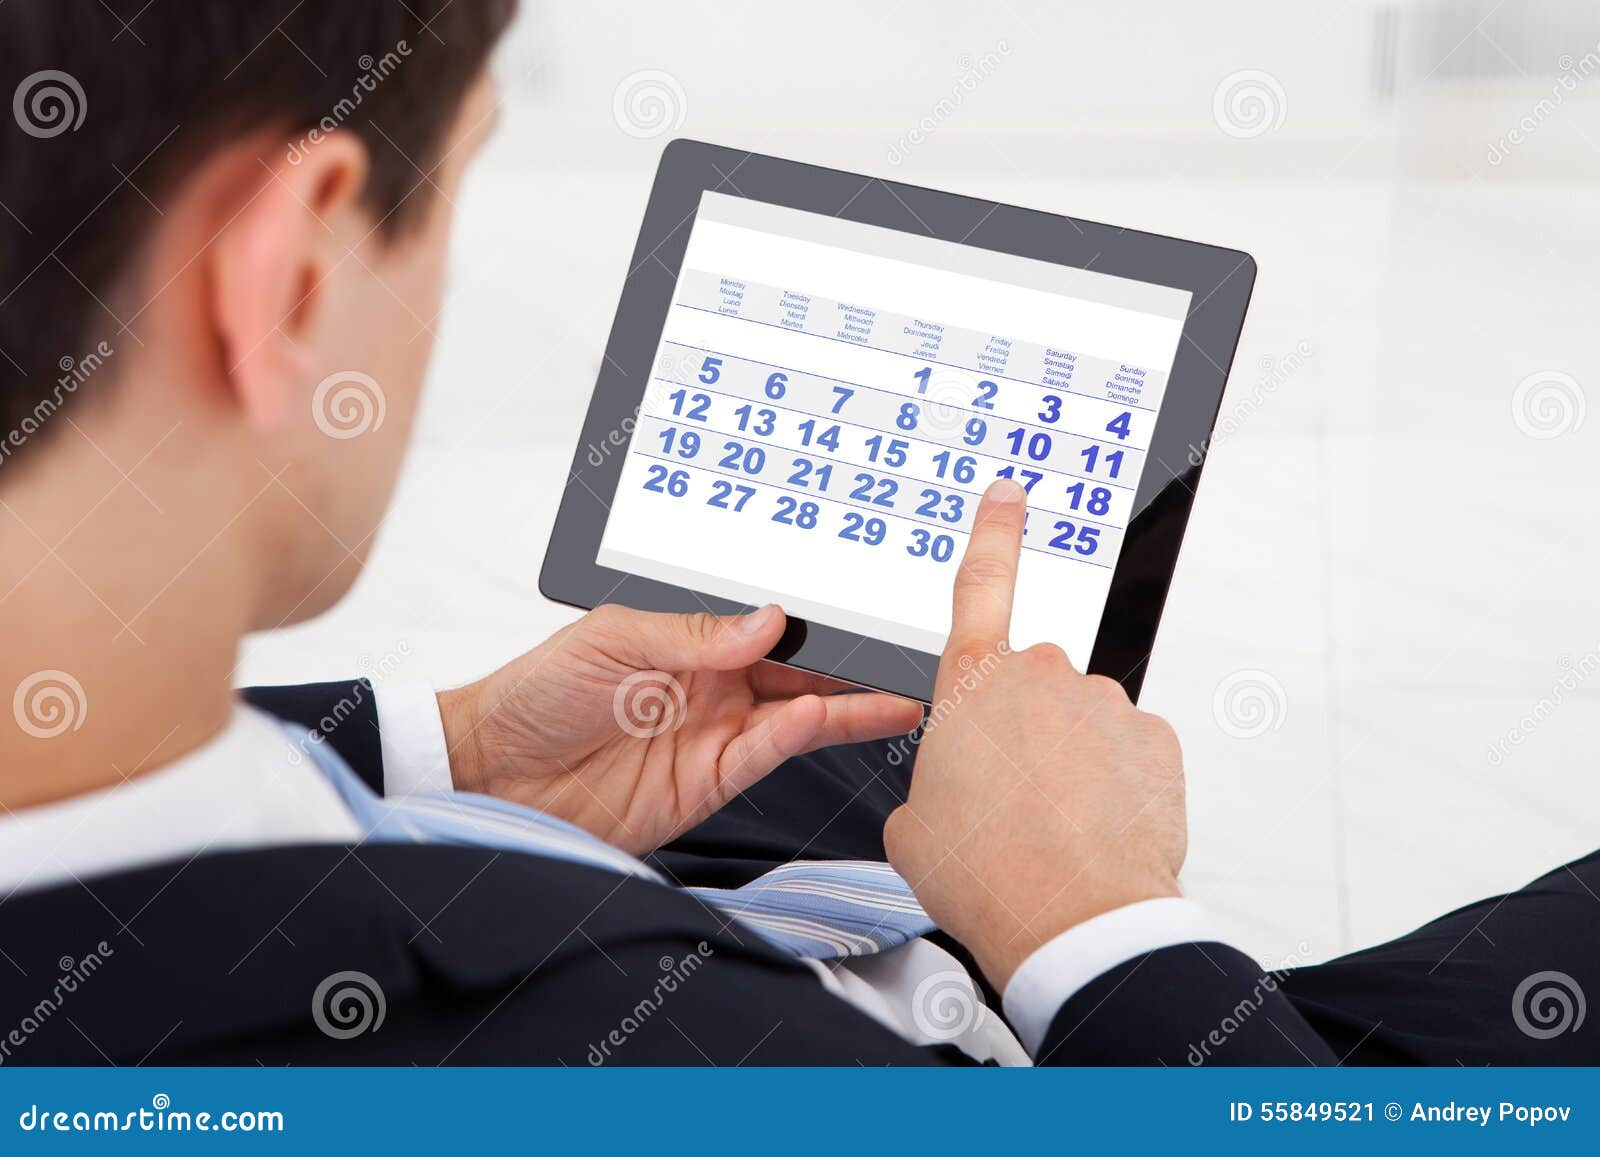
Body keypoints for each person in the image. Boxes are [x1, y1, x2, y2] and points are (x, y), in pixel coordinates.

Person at [1, 0, 1595, 1067]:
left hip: (590, 871)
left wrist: (455, 753)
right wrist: (1096, 927)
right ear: (284, 274)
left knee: (872, 720)